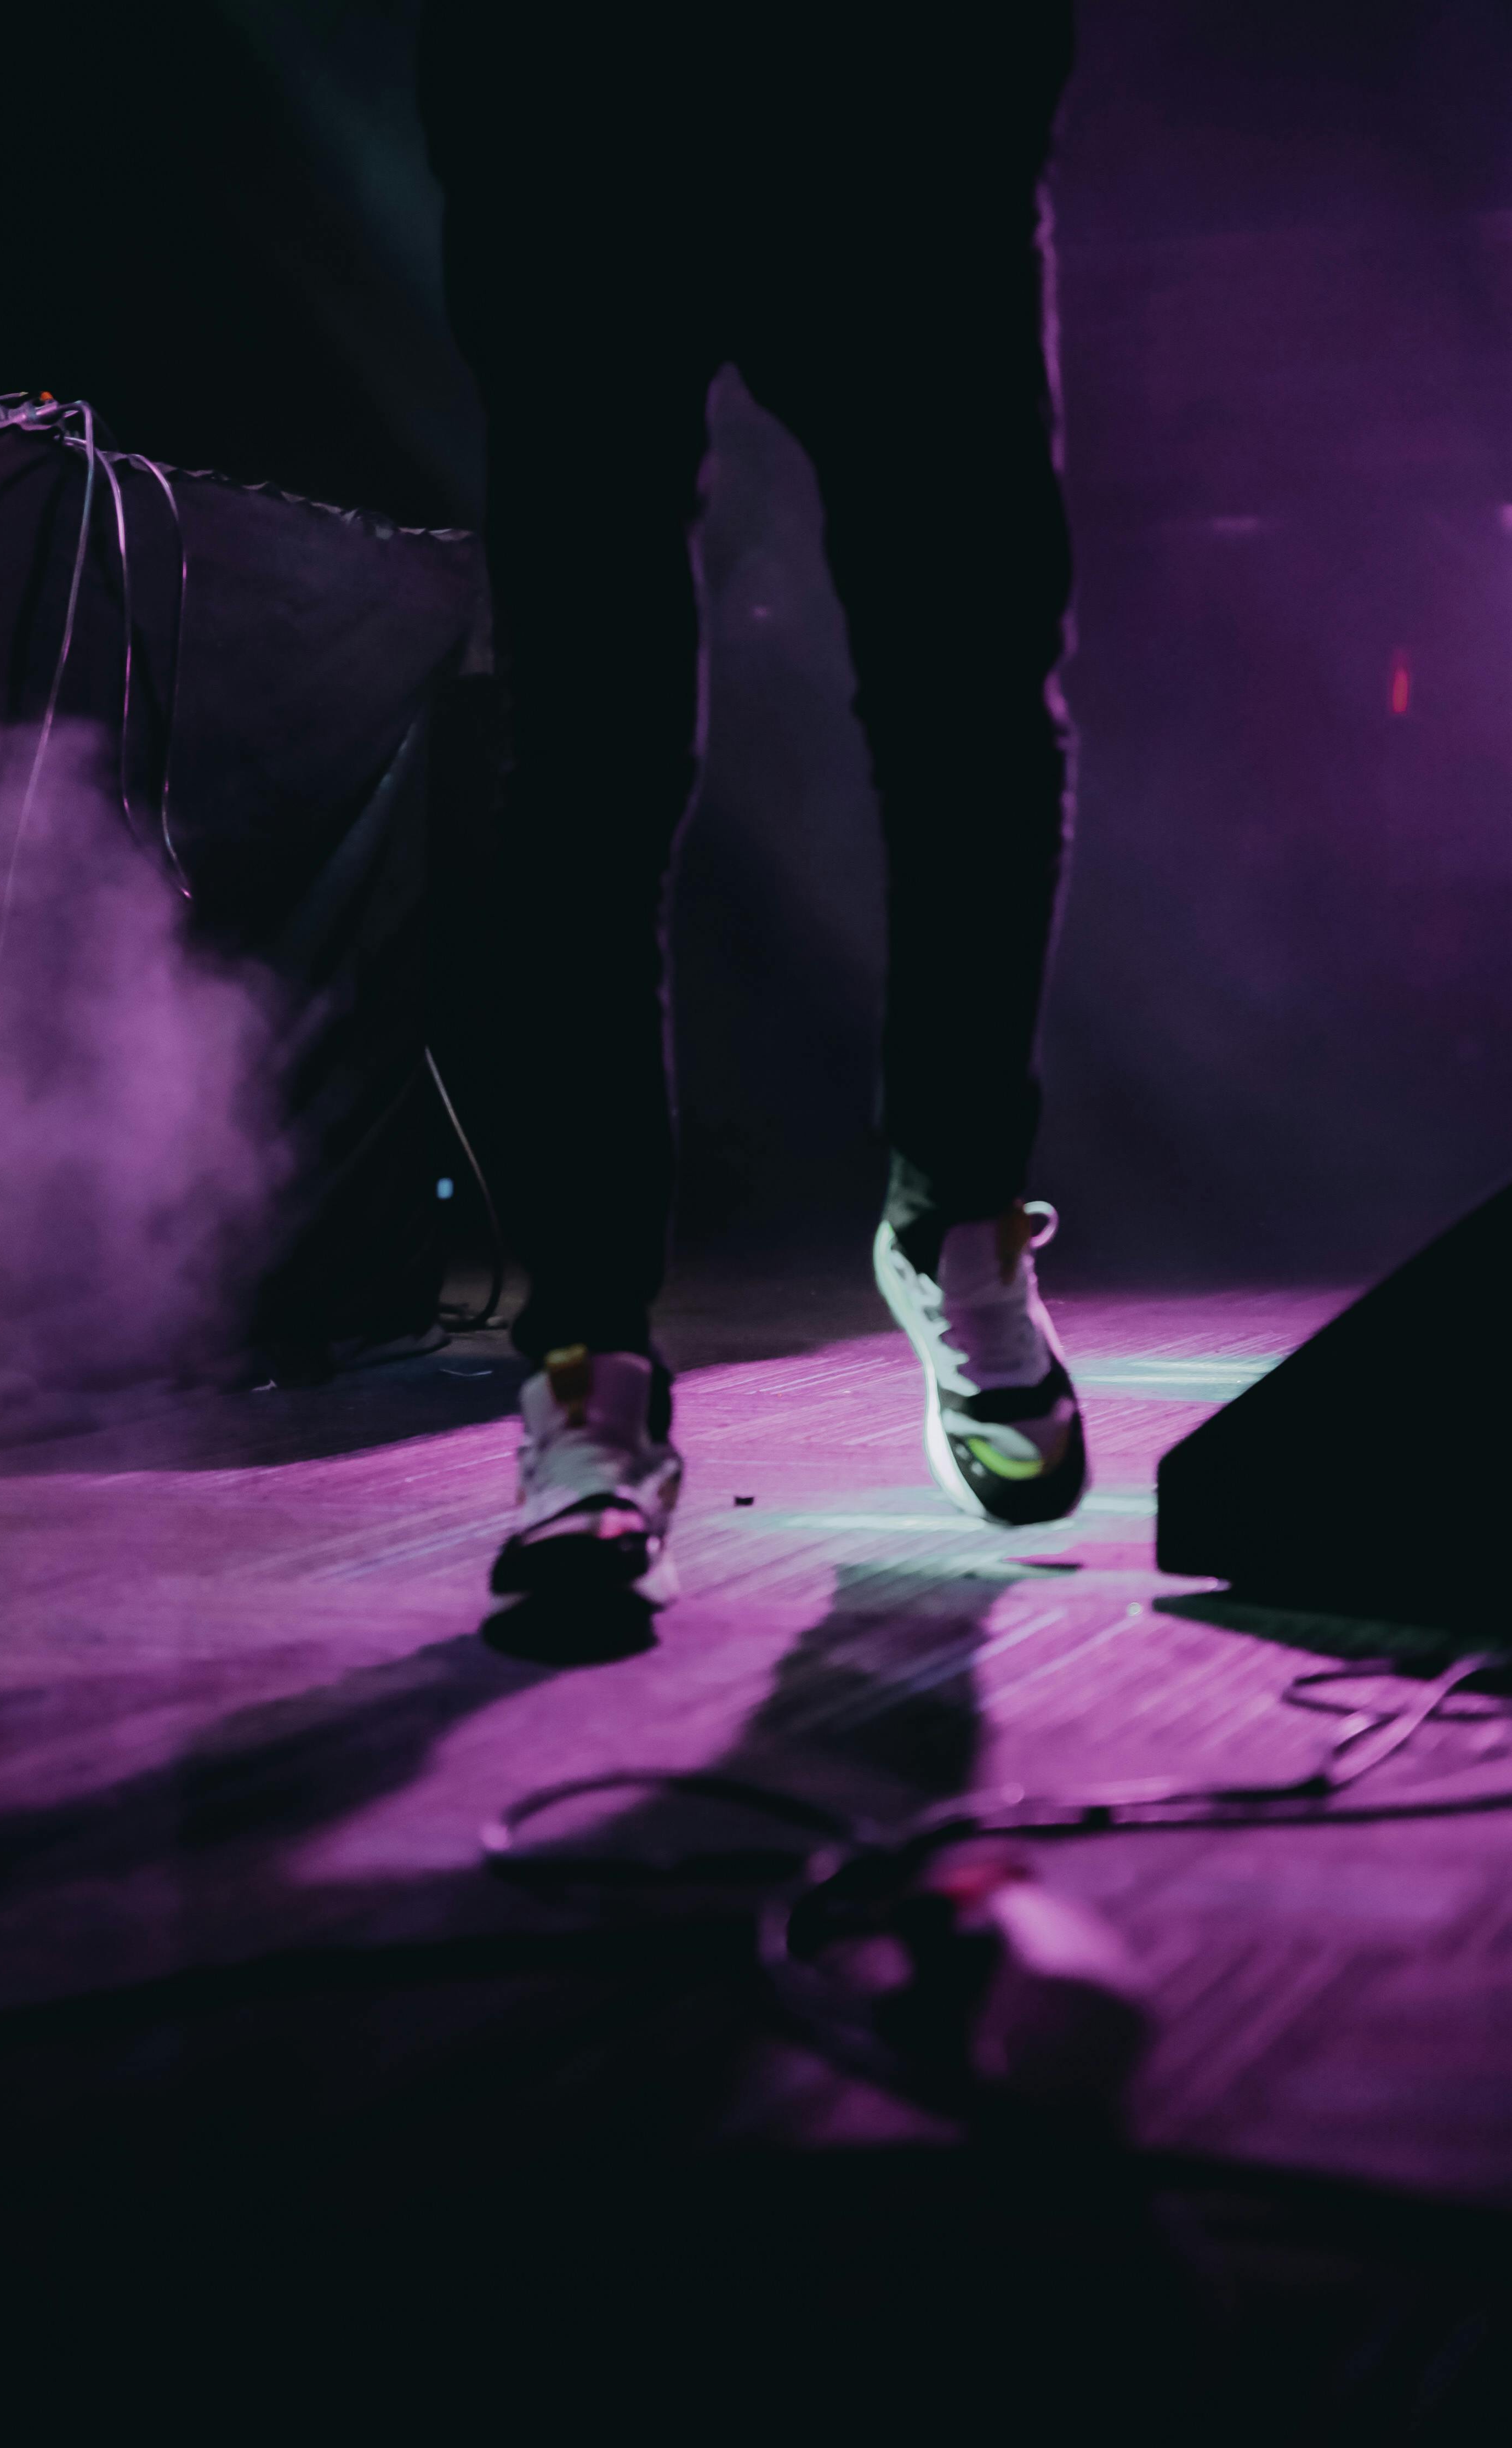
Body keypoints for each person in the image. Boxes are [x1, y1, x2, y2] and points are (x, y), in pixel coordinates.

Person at [417, 3, 1086, 1613]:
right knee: (593, 748)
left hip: (895, 92)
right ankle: (589, 1378)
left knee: (972, 713)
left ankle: (959, 1229)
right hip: (577, 98)